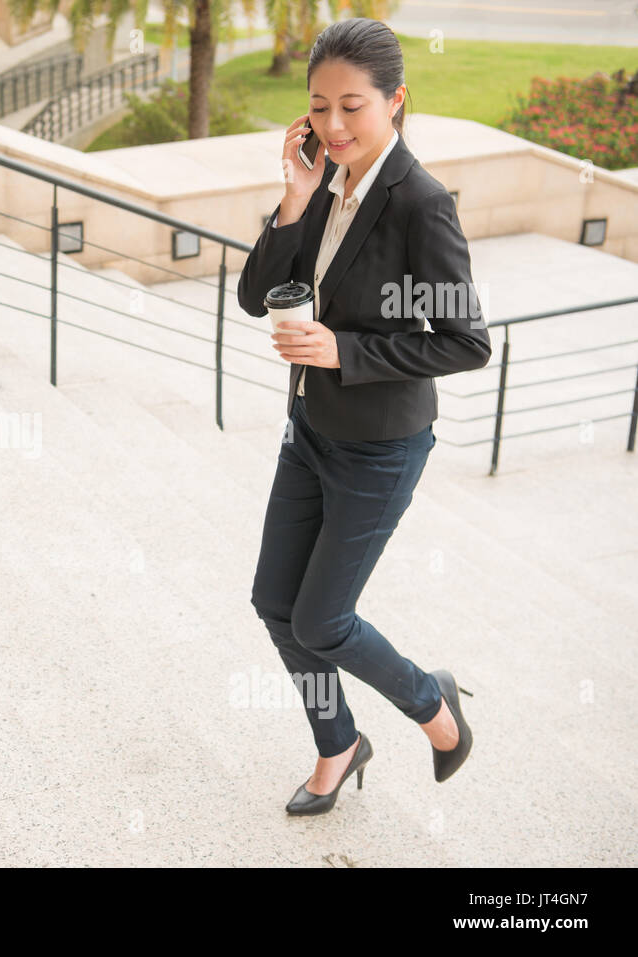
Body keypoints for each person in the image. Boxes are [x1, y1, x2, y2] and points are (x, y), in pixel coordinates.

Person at [236, 18, 489, 816]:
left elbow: (465, 342)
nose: (333, 126)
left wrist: (344, 351)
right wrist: (295, 198)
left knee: (321, 619)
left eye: (353, 107)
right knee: (276, 605)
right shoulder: (326, 183)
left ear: (396, 101)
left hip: (379, 448)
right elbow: (253, 297)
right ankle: (338, 742)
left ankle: (431, 704)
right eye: (318, 107)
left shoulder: (420, 204)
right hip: (307, 431)